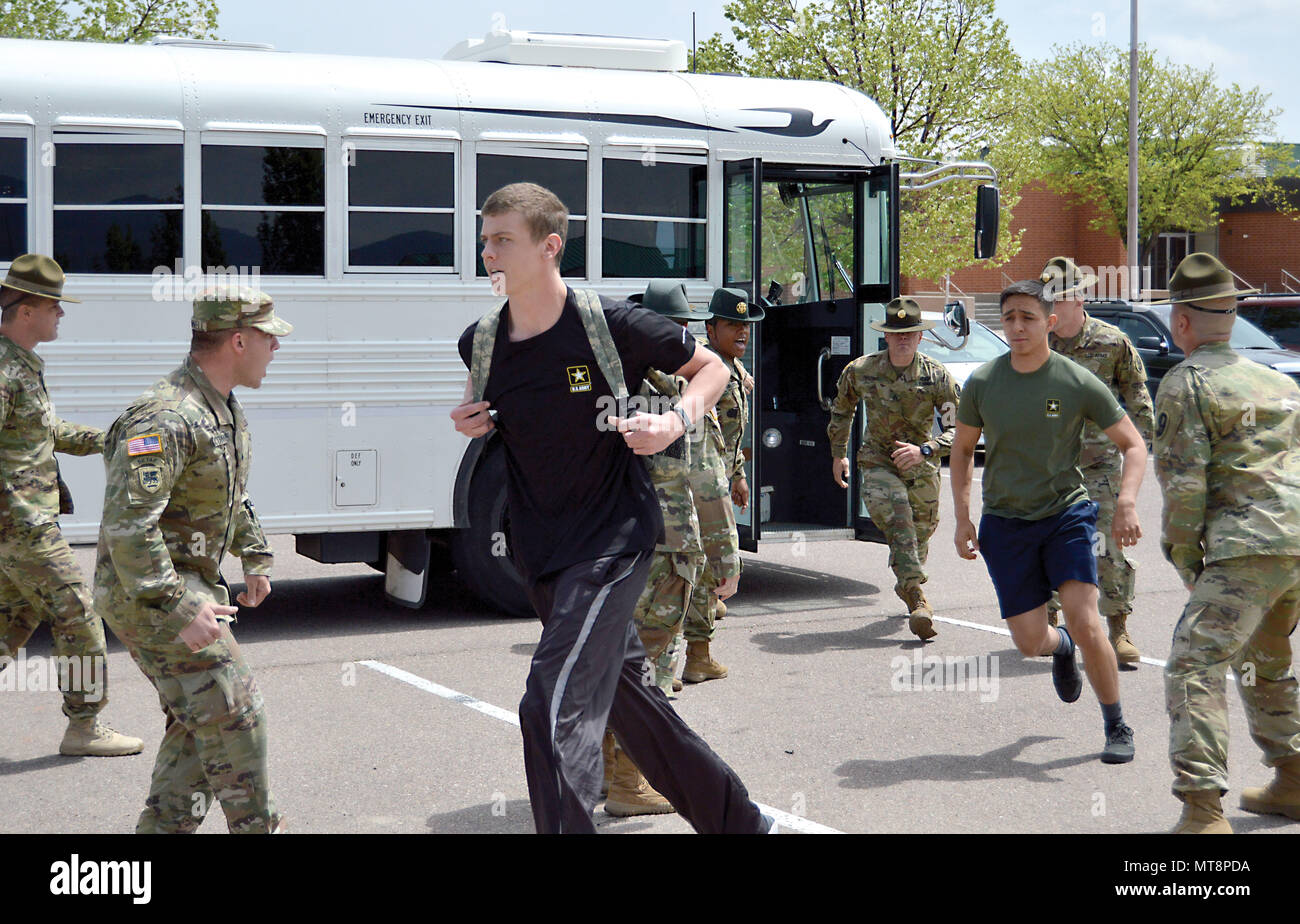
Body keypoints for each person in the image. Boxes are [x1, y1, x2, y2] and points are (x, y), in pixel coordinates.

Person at [451, 182, 770, 834]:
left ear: (549, 247)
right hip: (540, 555)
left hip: (611, 545)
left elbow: (710, 368)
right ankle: (740, 822)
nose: (488, 252)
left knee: (549, 705)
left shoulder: (611, 326)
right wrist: (471, 419)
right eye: (485, 240)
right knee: (634, 705)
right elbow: (480, 403)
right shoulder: (481, 341)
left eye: (502, 240)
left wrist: (673, 422)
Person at [95, 285, 289, 834]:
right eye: (268, 338)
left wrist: (256, 555)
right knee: (236, 712)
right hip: (147, 594)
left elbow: (230, 495)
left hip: (181, 586)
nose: (275, 349)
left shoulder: (221, 408)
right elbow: (129, 526)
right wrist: (179, 605)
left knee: (200, 721)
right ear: (237, 340)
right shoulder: (165, 417)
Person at [951, 279, 1147, 765]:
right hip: (1005, 521)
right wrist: (961, 518)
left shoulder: (1075, 381)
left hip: (1066, 513)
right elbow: (960, 452)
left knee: (1085, 620)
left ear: (1049, 323)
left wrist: (1126, 502)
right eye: (1010, 318)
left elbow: (1134, 444)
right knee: (1028, 641)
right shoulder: (982, 382)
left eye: (1028, 318)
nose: (1017, 327)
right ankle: (1058, 649)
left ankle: (1115, 723)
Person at [1150, 252, 1300, 834]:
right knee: (1266, 661)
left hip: (1245, 546)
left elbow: (1184, 486)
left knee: (1193, 664)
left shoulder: (1187, 383)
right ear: (1232, 317)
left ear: (1181, 321)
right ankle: (1292, 779)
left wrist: (1187, 559)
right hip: (1293, 544)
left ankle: (1202, 810)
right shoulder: (1279, 380)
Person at [602, 280, 741, 818]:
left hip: (609, 549)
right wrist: (726, 558)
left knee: (611, 663)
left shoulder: (611, 383)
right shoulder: (684, 396)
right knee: (653, 666)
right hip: (667, 551)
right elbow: (706, 481)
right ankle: (629, 785)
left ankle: (601, 773)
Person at [0, 253, 142, 757]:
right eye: (55, 305)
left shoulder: (19, 364)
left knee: (11, 619)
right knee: (78, 610)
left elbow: (44, 432)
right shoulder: (2, 367)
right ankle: (84, 726)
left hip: (23, 524)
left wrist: (113, 440)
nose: (62, 314)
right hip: (20, 525)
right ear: (27, 308)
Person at [1042, 256, 1154, 666]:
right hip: (1049, 468)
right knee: (1050, 545)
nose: (1050, 306)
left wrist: (1140, 447)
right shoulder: (1039, 344)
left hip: (1101, 466)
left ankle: (1119, 628)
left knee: (1108, 547)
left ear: (1077, 297)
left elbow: (1138, 395)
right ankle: (1054, 626)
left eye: (1058, 297)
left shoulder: (1111, 342)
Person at [827, 297, 960, 639]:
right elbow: (843, 411)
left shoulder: (937, 376)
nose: (903, 339)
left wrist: (926, 448)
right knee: (899, 515)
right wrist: (838, 454)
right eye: (896, 333)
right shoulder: (861, 370)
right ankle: (917, 596)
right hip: (877, 461)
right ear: (885, 336)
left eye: (910, 333)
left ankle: (906, 579)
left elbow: (959, 427)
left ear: (920, 338)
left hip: (921, 461)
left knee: (920, 534)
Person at [692, 288, 763, 681]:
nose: (742, 332)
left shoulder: (732, 368)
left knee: (708, 568)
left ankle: (694, 650)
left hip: (718, 481)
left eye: (745, 326)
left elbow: (730, 433)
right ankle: (694, 656)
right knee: (705, 566)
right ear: (711, 328)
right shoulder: (704, 368)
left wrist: (738, 474)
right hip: (700, 487)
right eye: (732, 324)